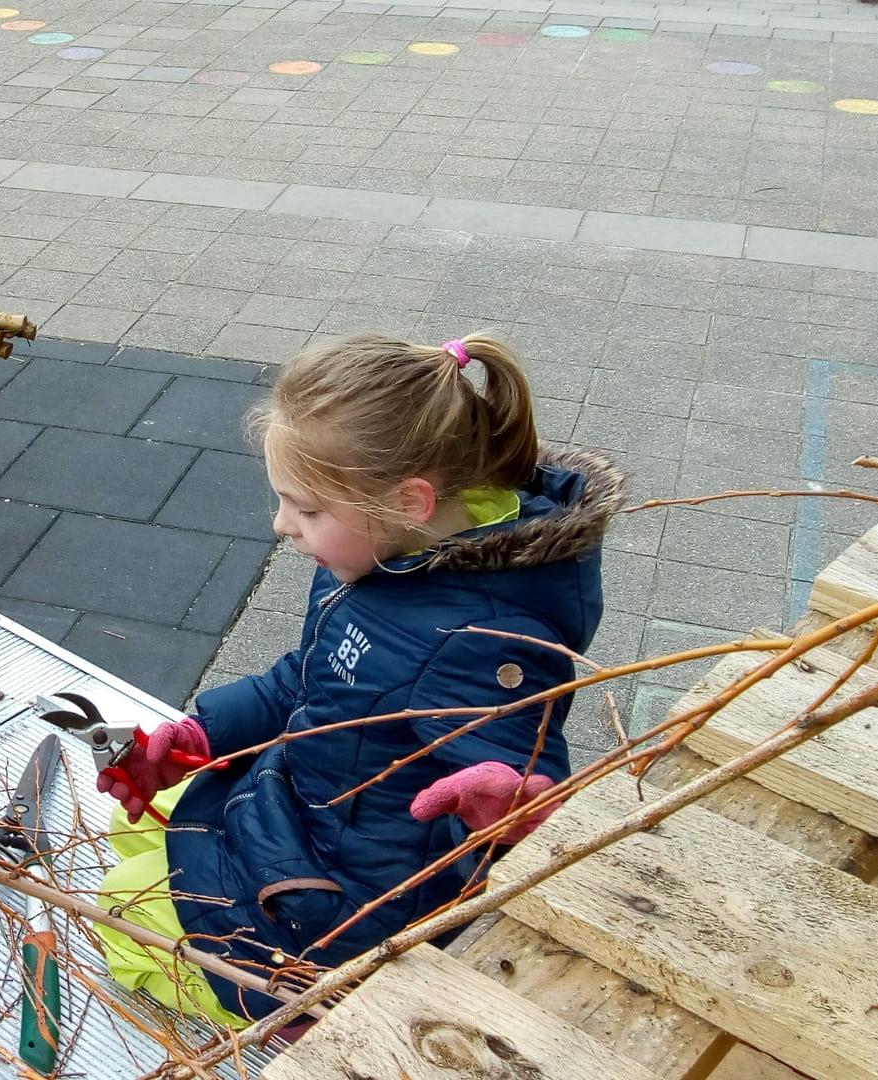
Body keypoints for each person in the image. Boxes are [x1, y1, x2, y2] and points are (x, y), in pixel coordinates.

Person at [92, 333, 624, 1027]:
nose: (282, 525)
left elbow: (521, 784)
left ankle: (301, 1016)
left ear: (410, 499)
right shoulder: (384, 555)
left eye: (307, 509)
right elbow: (313, 680)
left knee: (120, 911)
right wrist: (201, 736)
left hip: (351, 891)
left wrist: (514, 814)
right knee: (139, 815)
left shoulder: (480, 643)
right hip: (310, 800)